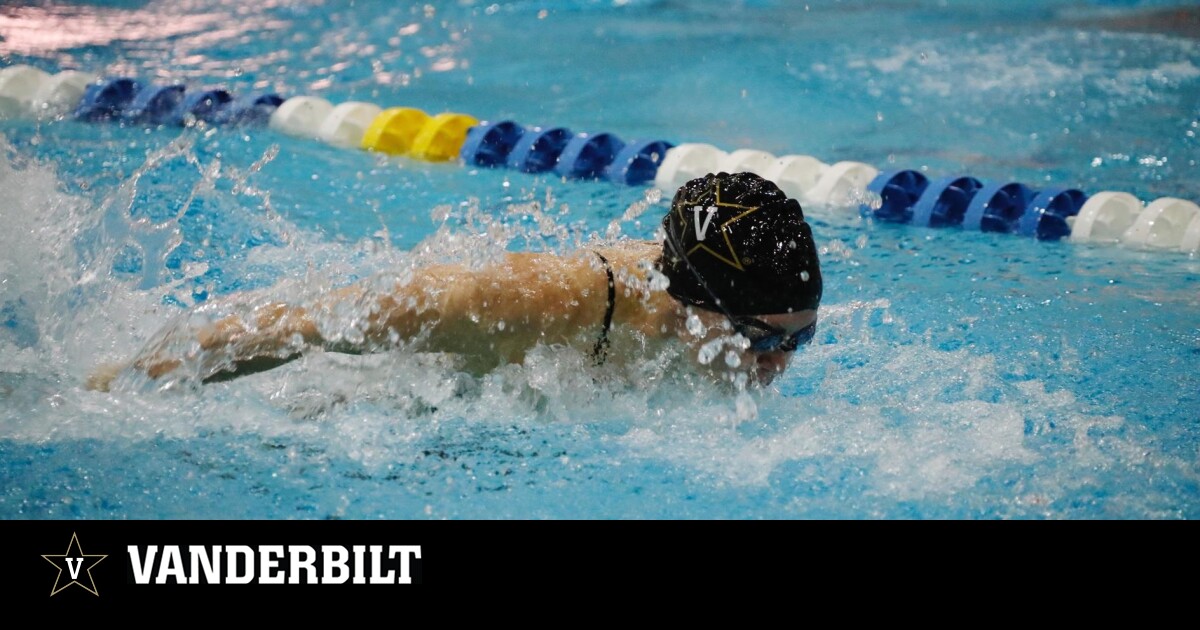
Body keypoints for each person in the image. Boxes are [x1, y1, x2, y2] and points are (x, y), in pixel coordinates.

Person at [87, 171, 822, 391]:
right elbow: (311, 326)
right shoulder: (530, 302)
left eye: (800, 339)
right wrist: (122, 385)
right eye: (763, 341)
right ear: (698, 305)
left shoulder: (705, 321)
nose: (779, 365)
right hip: (374, 395)